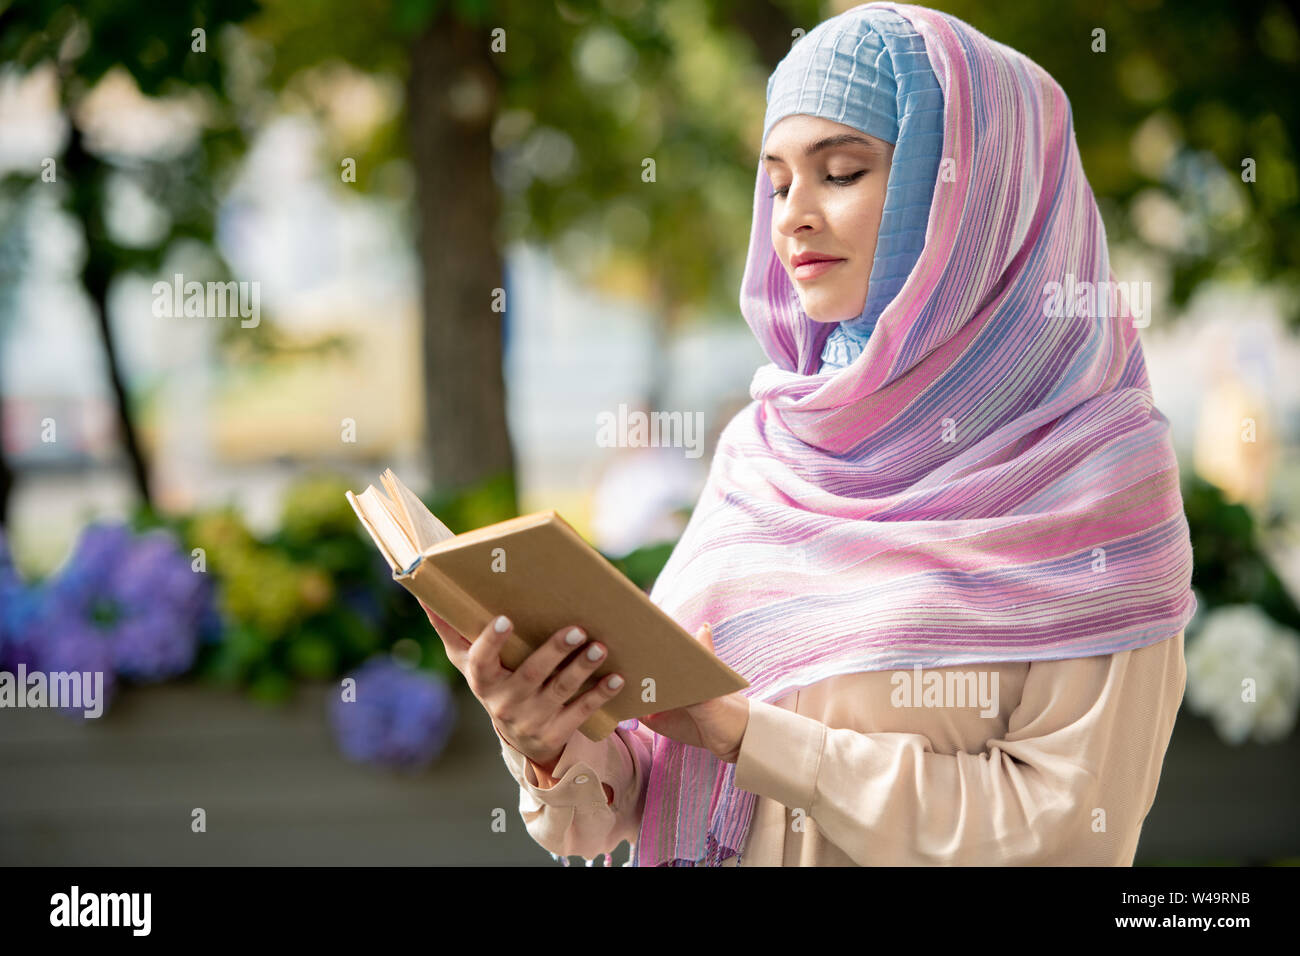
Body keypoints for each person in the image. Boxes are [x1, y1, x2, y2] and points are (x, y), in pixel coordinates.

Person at [423, 2, 1196, 866]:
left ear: (973, 196)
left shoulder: (1096, 477)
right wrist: (547, 737)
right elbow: (626, 805)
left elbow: (1063, 832)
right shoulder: (767, 452)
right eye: (779, 180)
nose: (790, 216)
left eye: (841, 172)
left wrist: (752, 737)